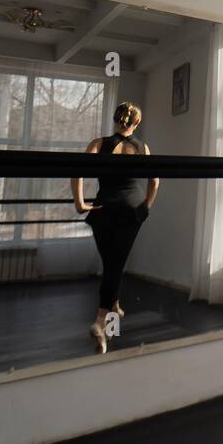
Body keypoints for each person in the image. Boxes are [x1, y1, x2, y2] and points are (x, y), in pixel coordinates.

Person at [71, 101, 159, 353]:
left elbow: (77, 172)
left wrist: (79, 203)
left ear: (115, 119)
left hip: (103, 209)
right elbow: (154, 181)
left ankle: (114, 304)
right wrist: (146, 206)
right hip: (131, 210)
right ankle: (101, 321)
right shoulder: (142, 147)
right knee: (115, 264)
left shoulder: (98, 144)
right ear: (137, 122)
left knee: (112, 262)